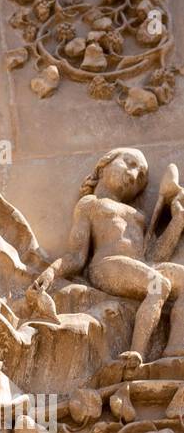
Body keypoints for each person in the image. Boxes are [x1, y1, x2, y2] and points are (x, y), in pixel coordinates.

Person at [30, 146, 184, 363]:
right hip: (107, 266)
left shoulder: (138, 215)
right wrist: (51, 271)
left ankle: (176, 348)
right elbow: (77, 256)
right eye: (129, 164)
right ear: (103, 165)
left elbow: (154, 256)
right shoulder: (90, 204)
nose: (132, 176)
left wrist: (177, 221)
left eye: (140, 177)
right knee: (159, 284)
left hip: (139, 265)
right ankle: (136, 353)